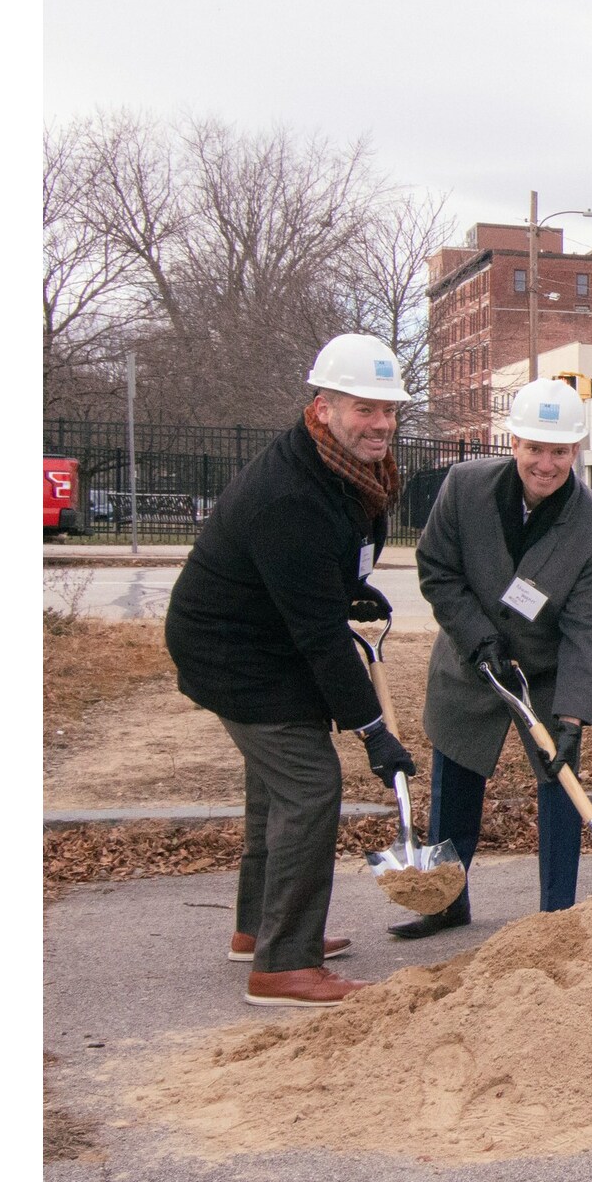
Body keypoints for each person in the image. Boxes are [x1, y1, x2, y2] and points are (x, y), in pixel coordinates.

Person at [165, 333, 416, 1007]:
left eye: (389, 409)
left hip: (264, 637)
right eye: (365, 408)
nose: (381, 423)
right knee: (309, 785)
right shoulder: (291, 495)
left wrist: (347, 588)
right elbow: (318, 637)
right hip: (236, 653)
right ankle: (284, 964)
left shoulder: (340, 468)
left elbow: (324, 570)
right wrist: (372, 730)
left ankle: (259, 930)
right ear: (324, 407)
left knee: (276, 787)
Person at [391, 378, 592, 939]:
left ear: (575, 451)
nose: (546, 464)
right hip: (470, 661)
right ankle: (445, 900)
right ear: (514, 442)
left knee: (559, 780)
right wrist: (478, 640)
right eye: (535, 448)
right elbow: (437, 570)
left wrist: (572, 717)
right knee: (456, 780)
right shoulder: (465, 487)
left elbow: (589, 628)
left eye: (559, 451)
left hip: (545, 672)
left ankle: (557, 913)